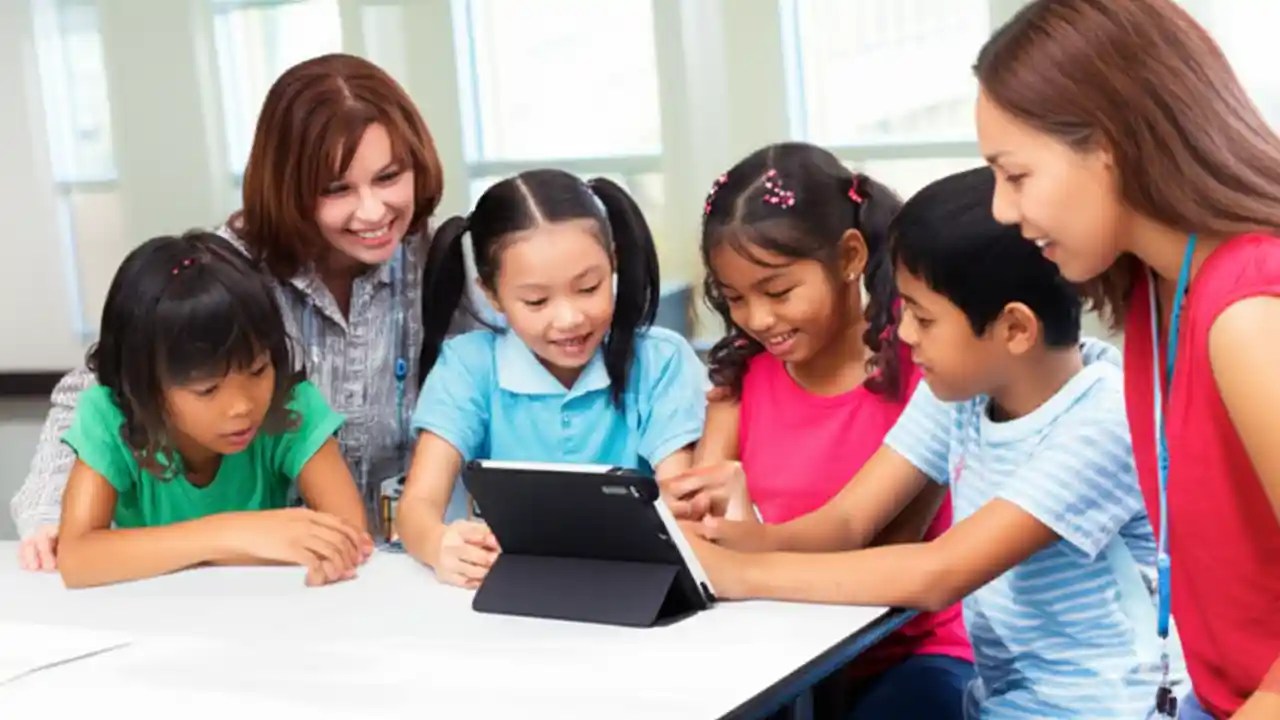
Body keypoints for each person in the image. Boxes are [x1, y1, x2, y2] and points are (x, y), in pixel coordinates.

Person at [672, 167, 1175, 718]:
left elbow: (939, 573)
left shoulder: (1103, 421)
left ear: (1014, 329)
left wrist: (738, 574)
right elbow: (846, 523)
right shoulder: (961, 393)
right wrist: (725, 540)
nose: (905, 335)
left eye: (923, 317)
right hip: (1005, 703)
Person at [15, 53, 454, 568]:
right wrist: (52, 515)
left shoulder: (441, 262)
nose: (373, 211)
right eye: (337, 190)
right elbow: (96, 393)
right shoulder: (231, 271)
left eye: (388, 177)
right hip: (258, 567)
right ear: (288, 188)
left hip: (401, 561)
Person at [973, 1, 1280, 716]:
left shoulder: (1246, 312)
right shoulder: (1155, 291)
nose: (1000, 210)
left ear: (1110, 144)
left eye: (1015, 175)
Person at [690, 142, 972, 718]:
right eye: (735, 298)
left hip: (909, 649)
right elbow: (704, 533)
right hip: (769, 636)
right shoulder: (739, 377)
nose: (757, 318)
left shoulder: (923, 368)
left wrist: (746, 547)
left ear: (849, 257)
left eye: (777, 291)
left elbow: (874, 544)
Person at [395, 169, 708, 588]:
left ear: (613, 260)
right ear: (491, 293)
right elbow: (416, 509)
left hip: (632, 586)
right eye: (536, 301)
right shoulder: (469, 367)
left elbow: (679, 505)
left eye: (589, 287)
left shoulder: (660, 360)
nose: (569, 318)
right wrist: (438, 544)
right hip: (517, 598)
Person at [57, 231, 371, 589]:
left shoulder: (289, 404)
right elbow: (77, 558)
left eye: (258, 371)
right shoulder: (112, 417)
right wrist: (232, 532)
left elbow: (351, 533)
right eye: (207, 390)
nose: (242, 407)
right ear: (144, 387)